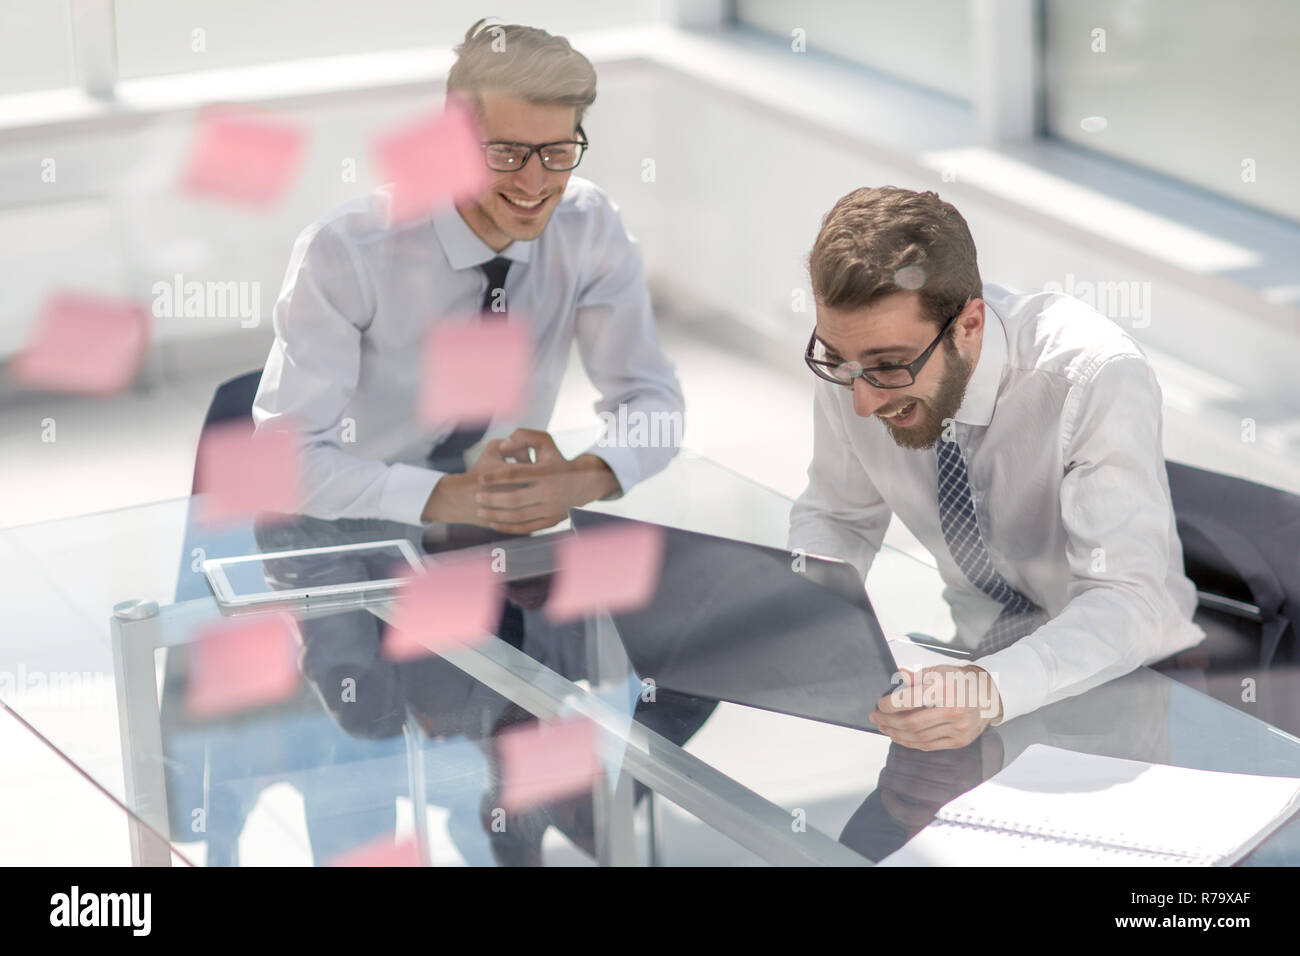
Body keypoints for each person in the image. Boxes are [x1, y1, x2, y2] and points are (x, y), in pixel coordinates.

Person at [789, 186, 1204, 751]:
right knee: (863, 841)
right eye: (839, 362)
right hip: (968, 658)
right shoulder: (856, 364)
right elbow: (839, 516)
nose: (861, 403)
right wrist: (810, 616)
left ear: (969, 325)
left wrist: (988, 690)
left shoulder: (1093, 376)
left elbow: (1129, 600)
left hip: (1126, 680)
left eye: (888, 368)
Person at [252, 19, 684, 534]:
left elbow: (652, 399)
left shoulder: (588, 225)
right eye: (506, 153)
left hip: (490, 536)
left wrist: (586, 476)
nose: (535, 182)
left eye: (557, 153)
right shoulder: (346, 250)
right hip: (337, 519)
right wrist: (448, 497)